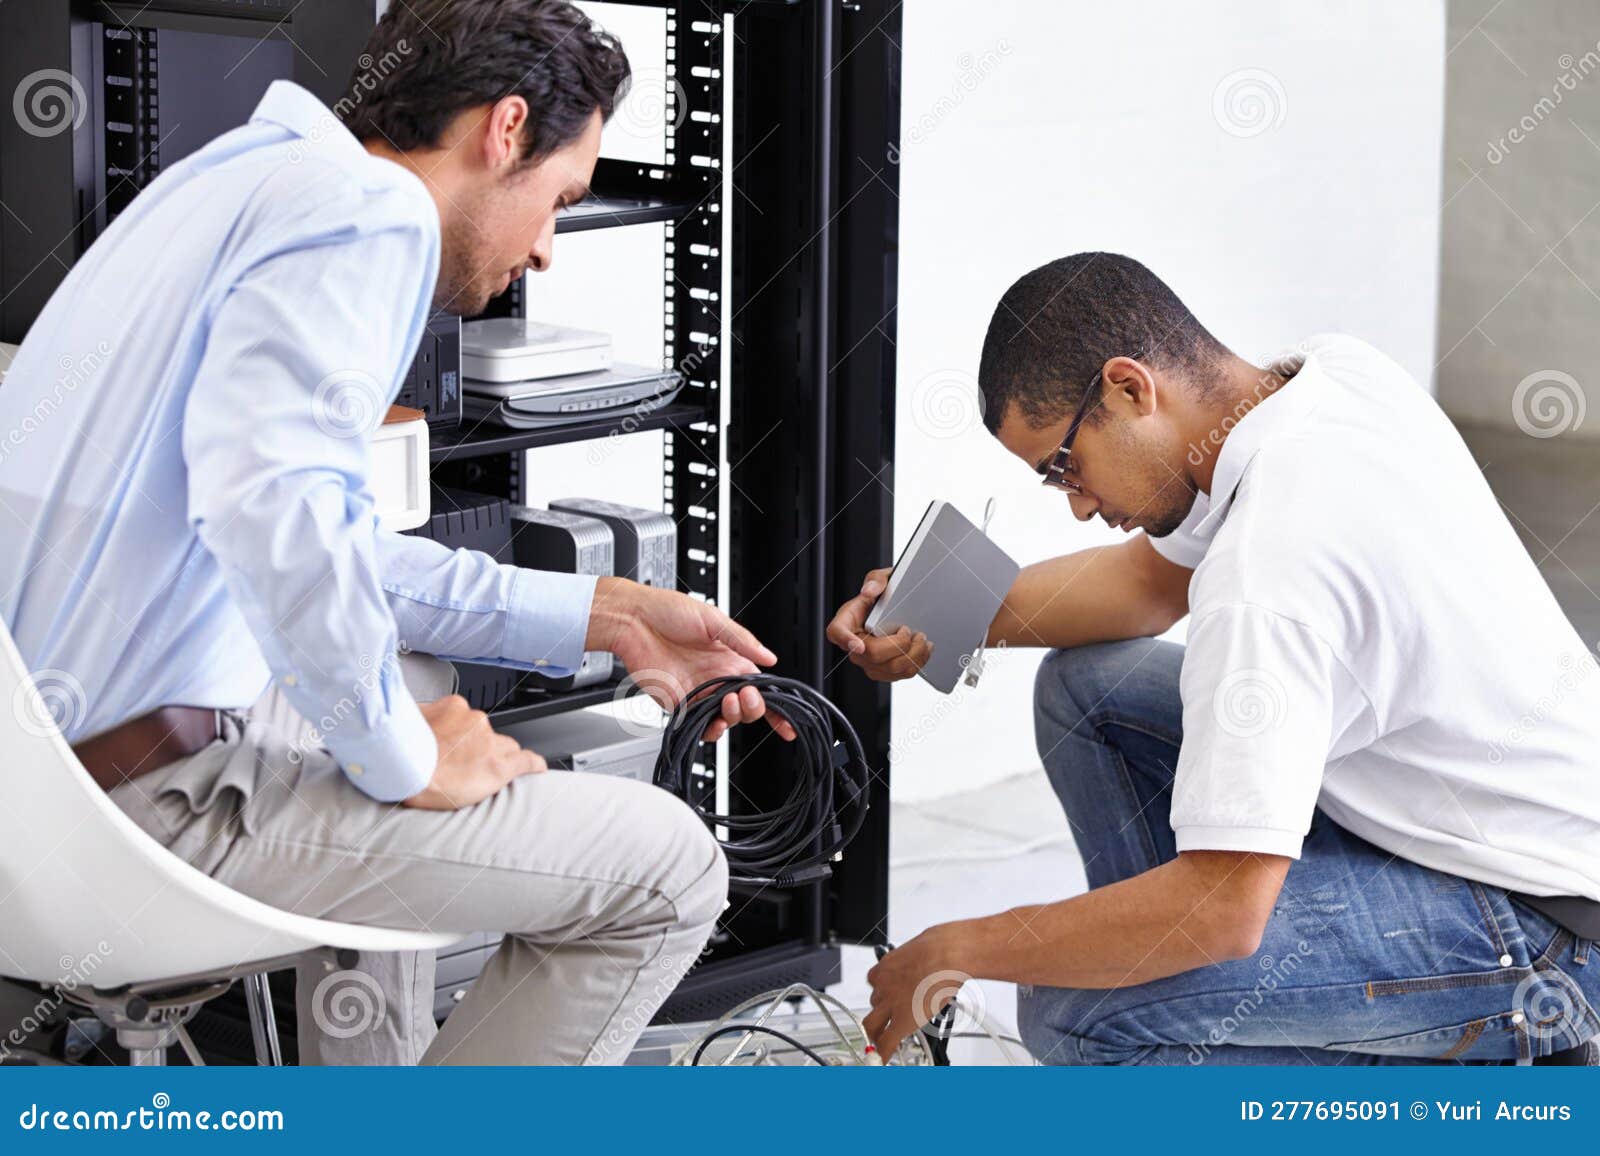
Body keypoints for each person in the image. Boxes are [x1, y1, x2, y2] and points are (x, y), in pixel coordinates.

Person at [0, 0, 792, 1065]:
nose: (548, 246)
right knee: (668, 869)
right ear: (502, 129)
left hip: (44, 786)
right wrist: (400, 756)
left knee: (405, 678)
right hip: (138, 810)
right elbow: (276, 504)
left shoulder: (228, 179)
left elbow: (314, 540)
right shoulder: (370, 211)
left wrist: (605, 613)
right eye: (558, 198)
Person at [829, 252, 1600, 1065]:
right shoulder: (1330, 379)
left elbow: (1223, 909)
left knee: (1073, 1017)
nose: (1081, 504)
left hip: (1545, 931)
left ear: (1130, 388)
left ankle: (1501, 1094)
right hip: (1496, 834)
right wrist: (935, 614)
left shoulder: (1266, 573)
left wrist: (958, 946)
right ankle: (1181, 1010)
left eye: (1066, 468)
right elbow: (1149, 585)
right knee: (1088, 692)